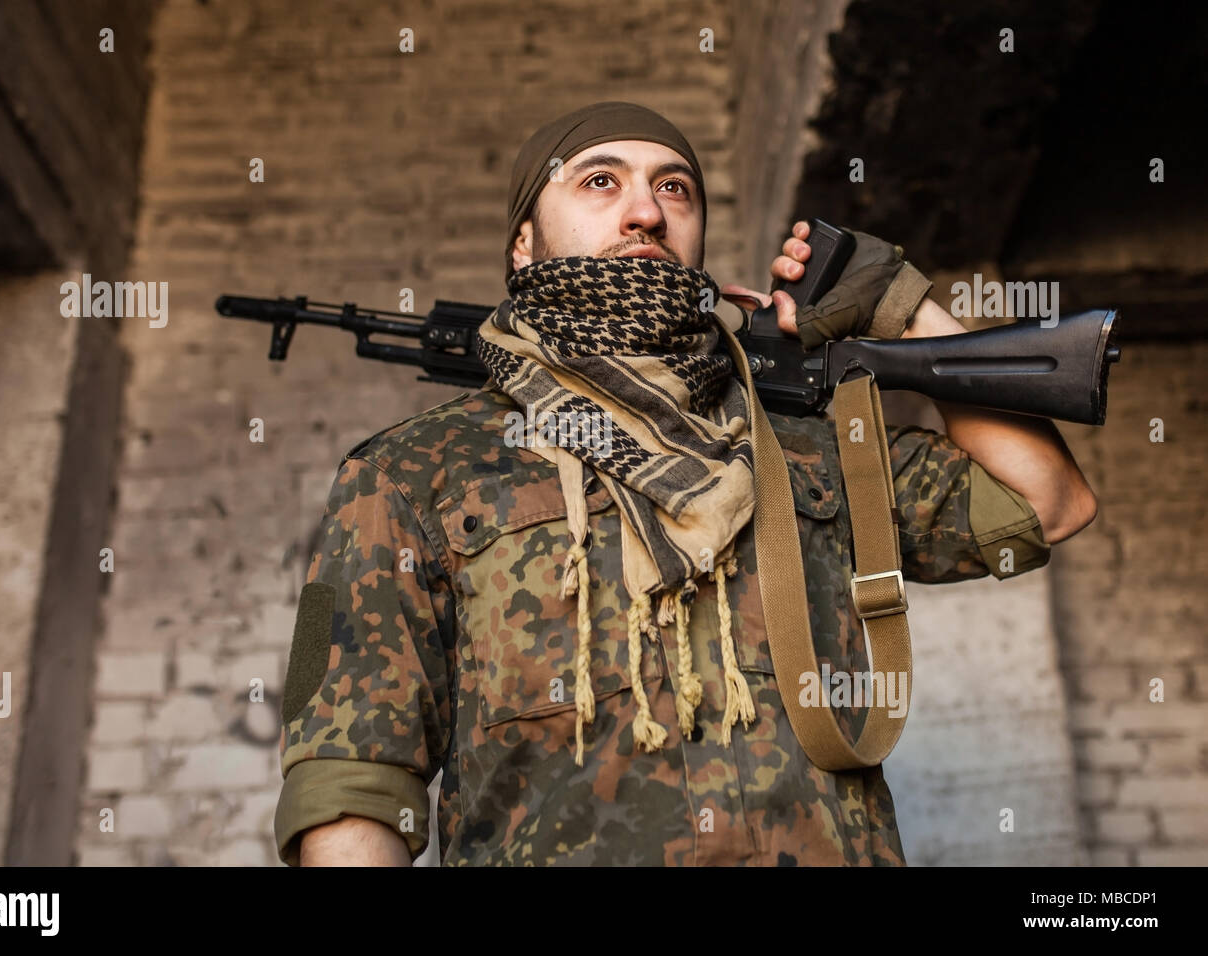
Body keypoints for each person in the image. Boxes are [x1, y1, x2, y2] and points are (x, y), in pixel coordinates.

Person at [272, 101, 1097, 867]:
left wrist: (902, 308)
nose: (646, 211)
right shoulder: (409, 473)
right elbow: (353, 782)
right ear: (523, 241)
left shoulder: (814, 447)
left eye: (675, 188)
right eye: (601, 181)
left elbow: (1052, 505)